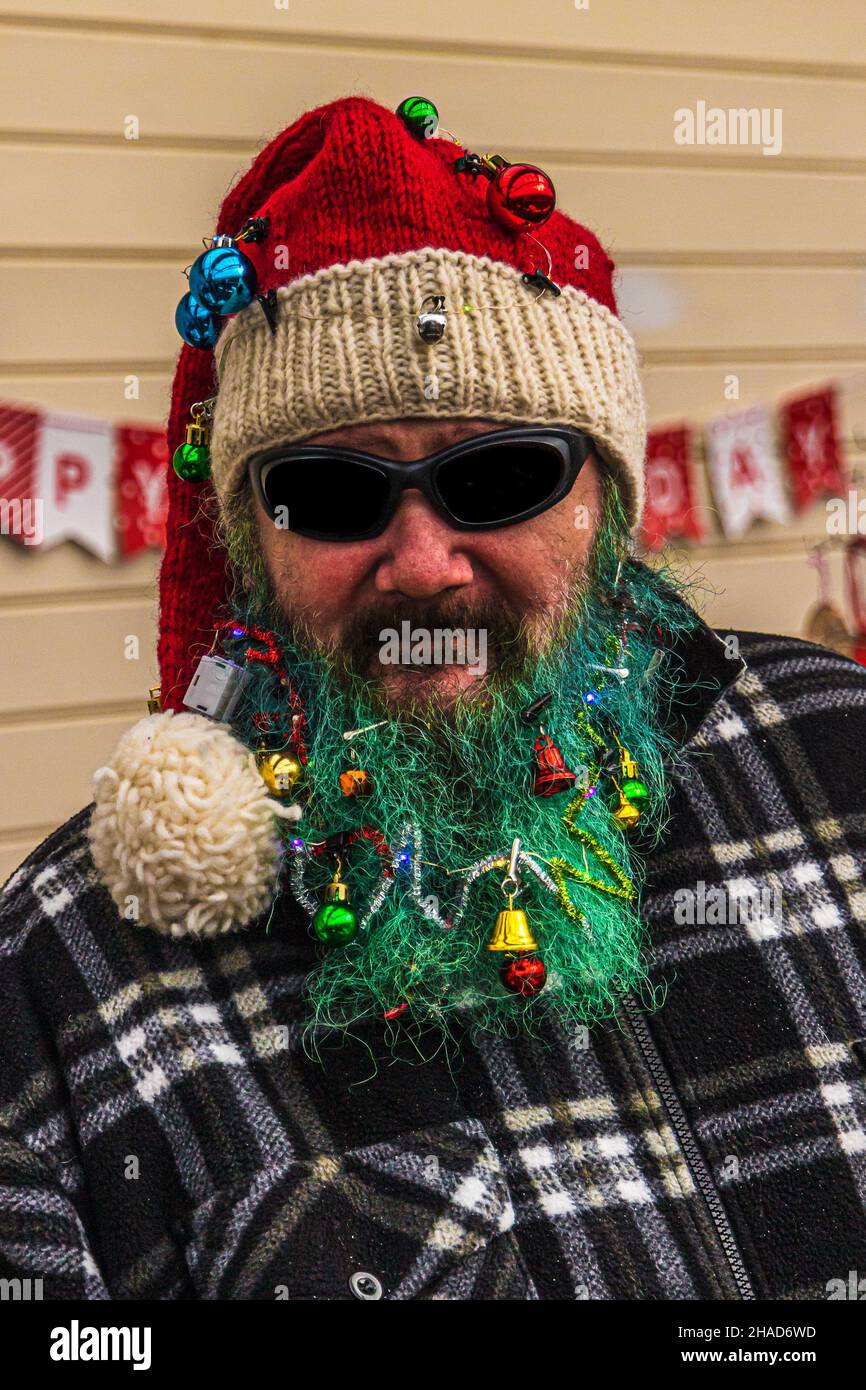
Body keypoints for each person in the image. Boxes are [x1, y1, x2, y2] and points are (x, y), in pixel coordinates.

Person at [2, 95, 865, 1302]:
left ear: (606, 501)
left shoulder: (833, 752)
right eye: (328, 491)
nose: (420, 564)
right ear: (248, 534)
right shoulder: (70, 967)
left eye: (500, 474)